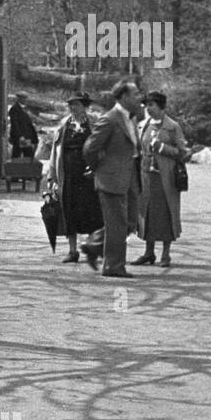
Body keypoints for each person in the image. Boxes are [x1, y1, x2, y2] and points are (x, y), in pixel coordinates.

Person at [82, 80, 143, 277]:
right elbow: (90, 147)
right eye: (135, 94)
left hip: (130, 177)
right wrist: (97, 168)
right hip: (111, 179)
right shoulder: (110, 119)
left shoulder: (130, 118)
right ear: (124, 97)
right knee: (117, 223)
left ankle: (94, 245)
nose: (139, 97)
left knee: (131, 222)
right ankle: (114, 266)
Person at [133, 91, 190, 267]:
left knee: (166, 213)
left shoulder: (173, 127)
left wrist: (162, 148)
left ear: (161, 106)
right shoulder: (143, 126)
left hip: (166, 178)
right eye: (147, 105)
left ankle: (166, 254)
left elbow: (183, 153)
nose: (148, 109)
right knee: (147, 213)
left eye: (152, 105)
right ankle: (148, 252)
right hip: (147, 177)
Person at [47, 92, 104, 263]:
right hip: (68, 176)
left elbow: (102, 149)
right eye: (70, 104)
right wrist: (52, 177)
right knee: (69, 212)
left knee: (92, 213)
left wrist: (96, 168)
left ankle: (93, 247)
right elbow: (54, 152)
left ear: (85, 106)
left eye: (76, 104)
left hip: (88, 176)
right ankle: (72, 251)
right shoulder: (64, 125)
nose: (73, 108)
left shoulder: (94, 124)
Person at [7, 91, 38, 160]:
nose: (26, 100)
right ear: (19, 99)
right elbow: (15, 125)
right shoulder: (15, 109)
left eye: (26, 98)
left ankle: (22, 169)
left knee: (25, 156)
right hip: (21, 138)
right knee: (20, 156)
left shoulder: (24, 109)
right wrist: (20, 136)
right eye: (24, 98)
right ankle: (15, 169)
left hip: (25, 137)